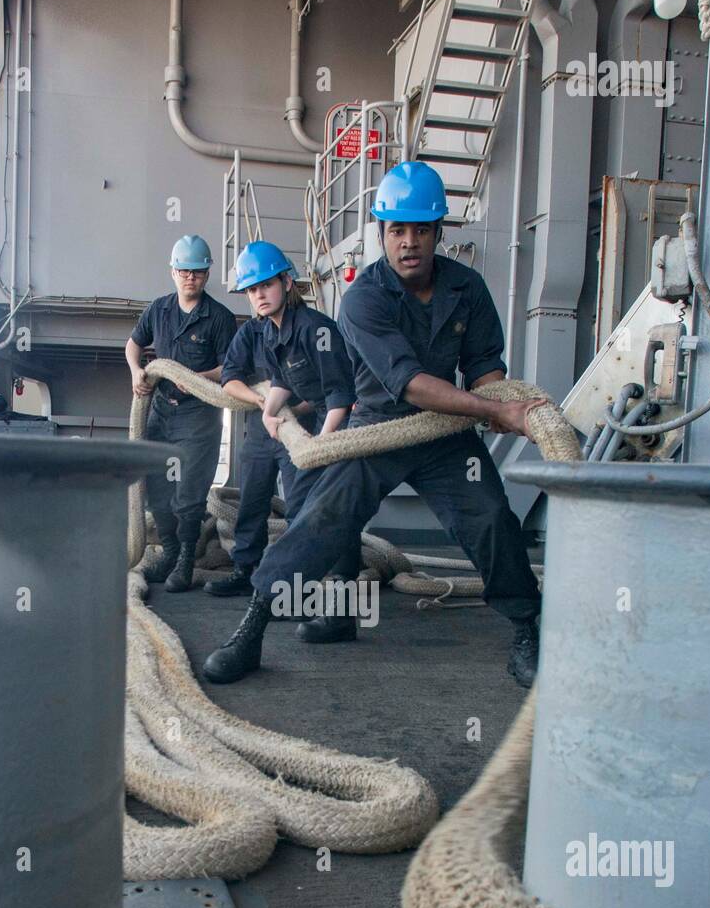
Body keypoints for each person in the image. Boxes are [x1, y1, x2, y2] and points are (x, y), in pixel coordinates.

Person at [203, 161, 546, 689]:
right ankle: (255, 629)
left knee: (492, 519)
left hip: (446, 434)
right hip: (376, 429)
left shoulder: (468, 287)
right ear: (381, 233)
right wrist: (496, 412)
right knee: (320, 519)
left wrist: (496, 396)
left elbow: (483, 365)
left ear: (438, 232)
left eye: (421, 230)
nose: (409, 242)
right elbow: (405, 381)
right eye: (396, 230)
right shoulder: (363, 297)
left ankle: (527, 629)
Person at [203, 243, 317, 598]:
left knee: (301, 507)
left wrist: (292, 413)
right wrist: (261, 401)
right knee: (252, 502)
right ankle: (245, 570)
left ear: (286, 282)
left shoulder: (313, 328)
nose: (259, 295)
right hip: (260, 431)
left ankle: (297, 585)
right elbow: (230, 378)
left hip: (301, 430)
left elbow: (336, 387)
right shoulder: (251, 333)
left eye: (265, 285)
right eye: (252, 289)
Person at [125, 234, 237, 592]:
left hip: (199, 417)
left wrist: (199, 379)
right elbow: (133, 344)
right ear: (173, 272)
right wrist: (136, 371)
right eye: (185, 271)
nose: (191, 277)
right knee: (157, 488)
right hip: (160, 413)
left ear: (207, 274)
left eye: (198, 272)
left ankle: (187, 558)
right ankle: (170, 551)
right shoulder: (158, 309)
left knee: (188, 495)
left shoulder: (219, 318)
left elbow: (231, 367)